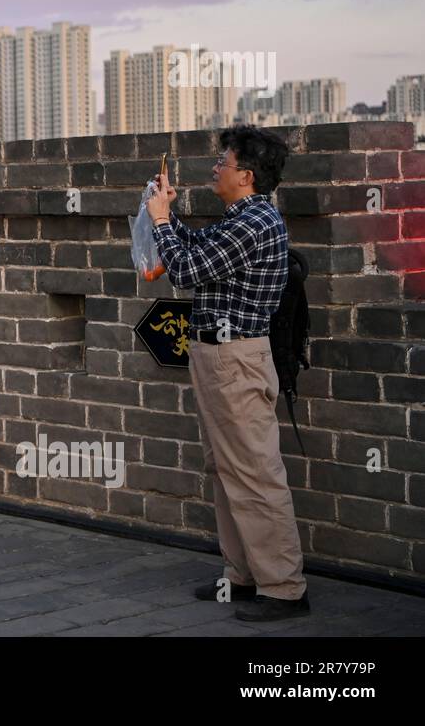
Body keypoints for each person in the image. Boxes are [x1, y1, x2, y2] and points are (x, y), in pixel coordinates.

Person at [146, 126, 309, 622]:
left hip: (236, 359)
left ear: (246, 175)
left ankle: (283, 588)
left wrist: (158, 222)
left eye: (223, 162)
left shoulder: (255, 221)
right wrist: (168, 214)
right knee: (227, 469)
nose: (215, 169)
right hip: (218, 357)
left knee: (256, 473)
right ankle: (243, 575)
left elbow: (187, 270)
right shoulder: (241, 218)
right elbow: (198, 249)